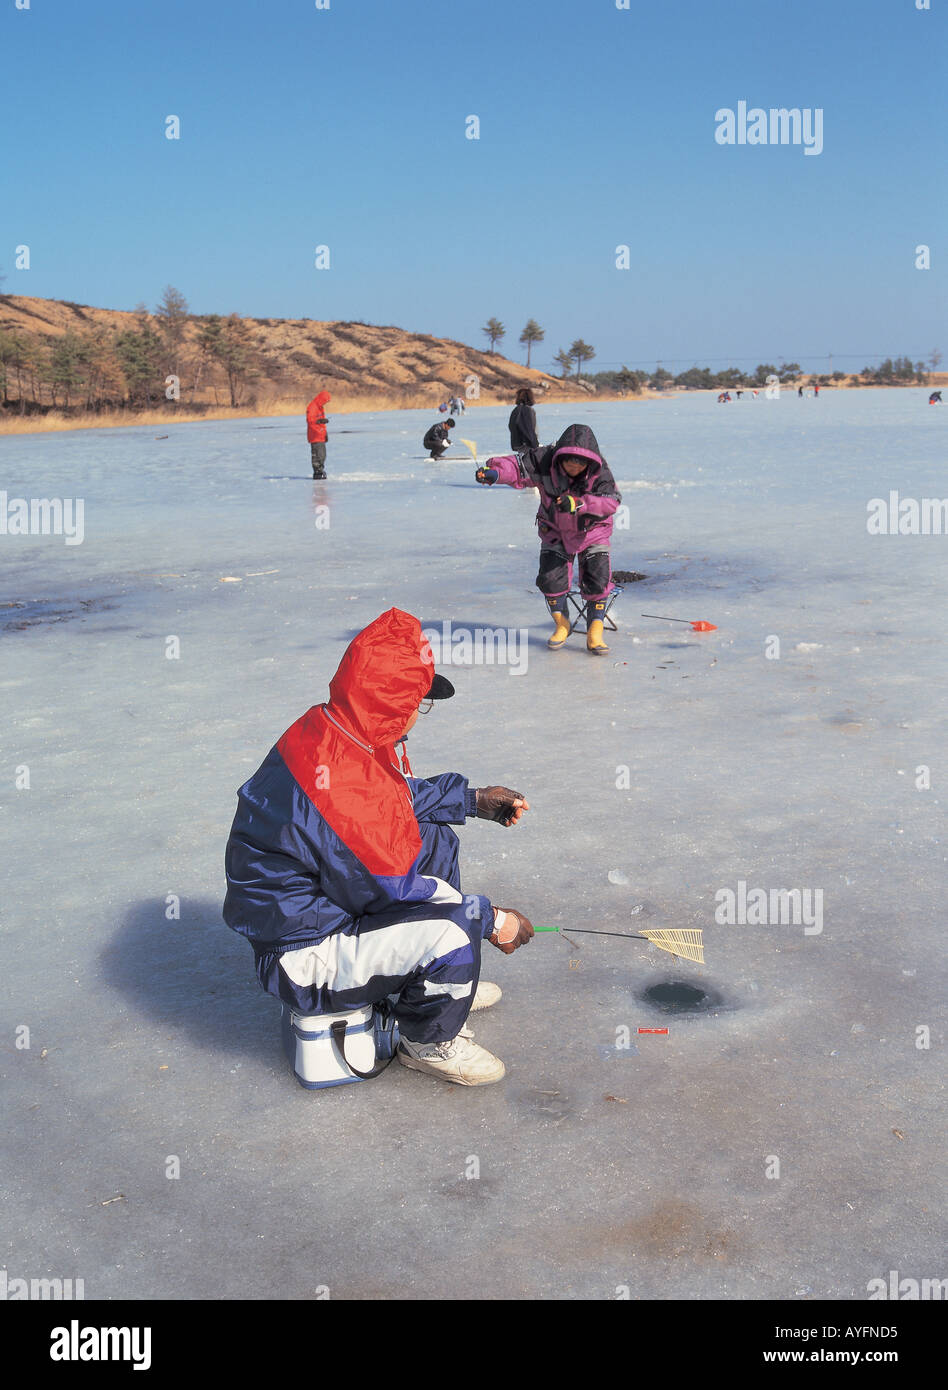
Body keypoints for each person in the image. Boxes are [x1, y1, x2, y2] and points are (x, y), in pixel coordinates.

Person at [223, 608, 534, 1087]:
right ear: (392, 702)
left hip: (328, 908)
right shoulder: (339, 782)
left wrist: (471, 800)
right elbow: (391, 888)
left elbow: (394, 798)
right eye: (419, 700)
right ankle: (427, 1041)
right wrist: (491, 920)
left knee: (432, 835)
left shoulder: (337, 731)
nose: (419, 711)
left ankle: (423, 985)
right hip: (304, 952)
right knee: (451, 931)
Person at [474, 423, 621, 656]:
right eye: (570, 460)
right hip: (555, 528)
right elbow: (516, 466)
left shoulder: (599, 471)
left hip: (592, 531)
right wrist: (495, 473)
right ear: (560, 456)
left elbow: (611, 501)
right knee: (550, 580)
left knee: (598, 579)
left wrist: (580, 504)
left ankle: (595, 630)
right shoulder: (544, 459)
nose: (575, 465)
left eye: (580, 462)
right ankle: (562, 625)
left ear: (590, 462)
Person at [306, 389, 331, 479]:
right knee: (317, 455)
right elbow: (310, 421)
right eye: (325, 401)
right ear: (321, 399)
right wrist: (319, 421)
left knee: (322, 455)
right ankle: (317, 472)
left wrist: (325, 434)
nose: (325, 403)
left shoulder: (320, 407)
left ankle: (320, 470)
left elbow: (321, 424)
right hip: (315, 436)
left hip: (320, 435)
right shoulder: (312, 407)